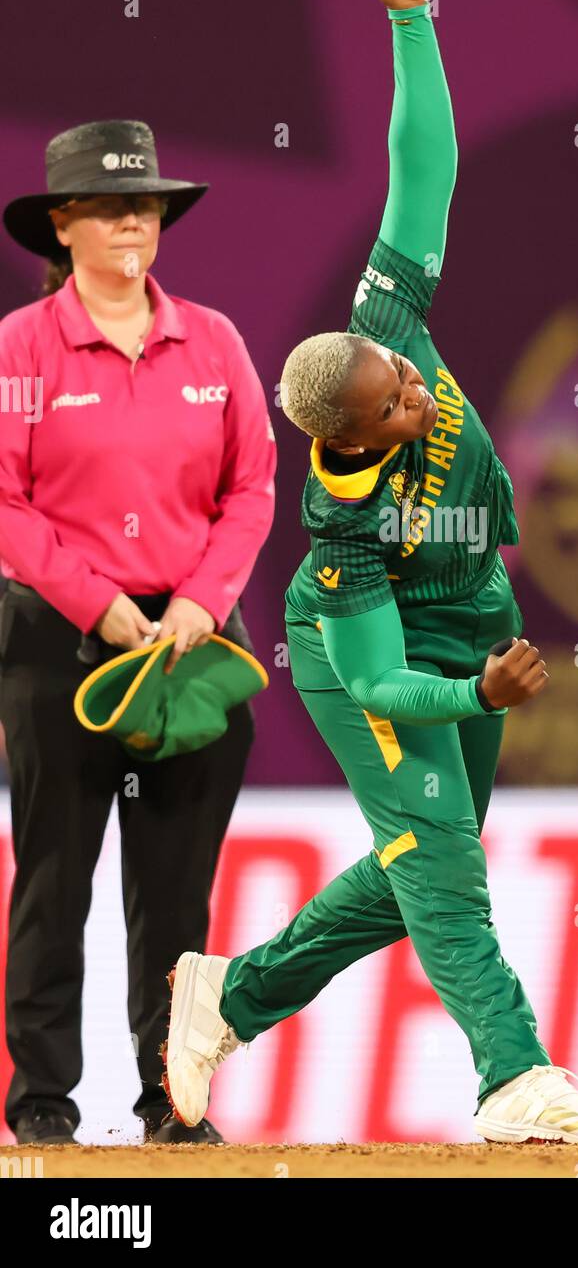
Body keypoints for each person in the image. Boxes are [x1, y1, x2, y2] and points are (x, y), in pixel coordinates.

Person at [163, 0, 578, 1144]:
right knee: (443, 859)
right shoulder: (345, 529)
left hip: (474, 613)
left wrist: (411, 20)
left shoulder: (385, 323)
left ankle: (231, 995)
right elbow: (374, 679)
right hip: (365, 645)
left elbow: (426, 172)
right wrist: (471, 684)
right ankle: (515, 1078)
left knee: (425, 849)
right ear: (354, 433)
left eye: (407, 376)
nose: (422, 391)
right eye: (400, 401)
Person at [0, 120, 276, 1144]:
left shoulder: (213, 341)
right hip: (57, 644)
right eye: (111, 203)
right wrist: (95, 602)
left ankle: (171, 1101)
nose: (133, 219)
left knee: (174, 895)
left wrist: (199, 602)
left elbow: (251, 487)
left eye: (147, 204)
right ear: (62, 224)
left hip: (190, 646)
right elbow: (6, 501)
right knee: (54, 882)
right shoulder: (21, 349)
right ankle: (41, 1106)